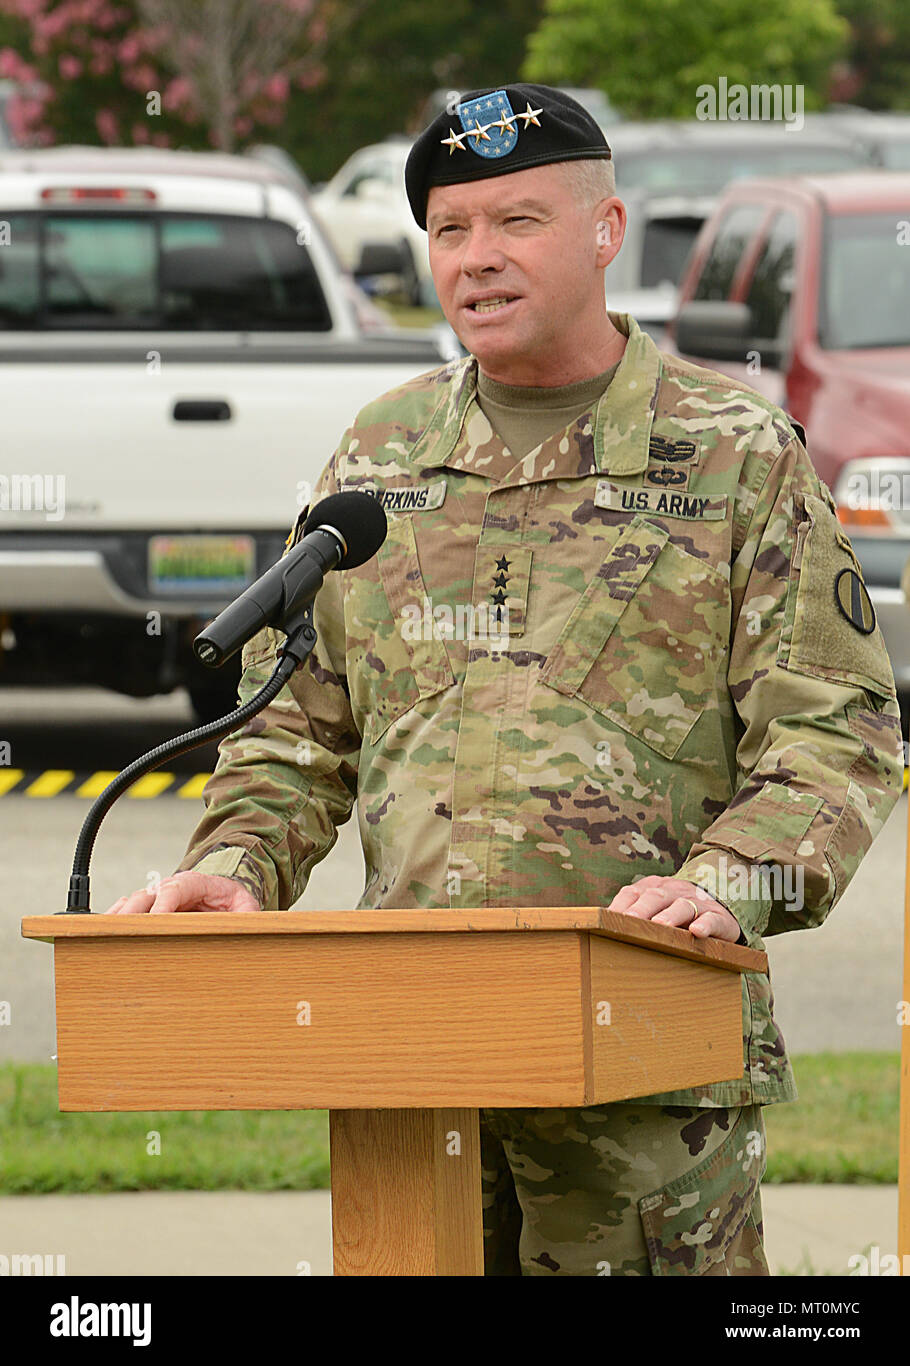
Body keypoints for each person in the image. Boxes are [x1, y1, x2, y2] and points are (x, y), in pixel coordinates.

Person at [109, 84, 904, 1276]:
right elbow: (296, 729)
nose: (476, 259)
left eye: (516, 222)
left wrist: (731, 882)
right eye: (449, 231)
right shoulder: (380, 457)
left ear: (606, 228)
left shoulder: (736, 455)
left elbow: (835, 730)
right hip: (411, 1061)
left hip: (647, 1073)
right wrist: (232, 867)